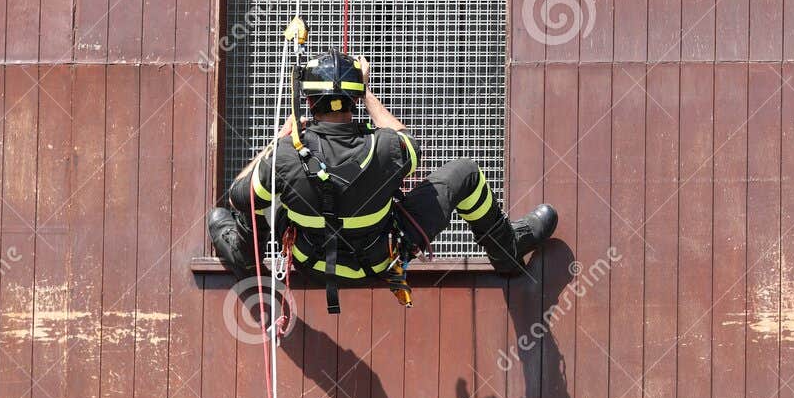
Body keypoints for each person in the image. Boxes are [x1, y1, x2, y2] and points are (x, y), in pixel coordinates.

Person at [207, 50, 557, 311]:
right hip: (376, 264)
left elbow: (239, 196)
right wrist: (367, 92)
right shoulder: (384, 147)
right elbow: (412, 146)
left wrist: (281, 138)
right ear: (354, 100)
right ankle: (507, 251)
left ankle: (248, 266)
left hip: (311, 266)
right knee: (465, 172)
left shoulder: (285, 154)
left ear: (308, 101)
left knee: (249, 201)